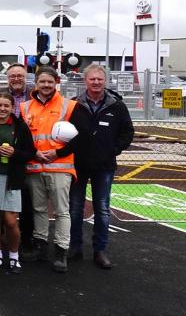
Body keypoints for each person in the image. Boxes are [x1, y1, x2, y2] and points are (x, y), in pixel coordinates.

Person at [20, 67, 89, 273]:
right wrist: (34, 153)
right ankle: (40, 246)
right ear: (36, 83)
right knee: (39, 209)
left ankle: (61, 251)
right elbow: (22, 137)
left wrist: (58, 153)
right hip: (34, 166)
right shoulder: (25, 107)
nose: (46, 85)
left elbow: (83, 136)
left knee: (61, 211)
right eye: (42, 81)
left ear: (56, 83)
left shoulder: (70, 106)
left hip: (60, 167)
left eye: (50, 82)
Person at [70, 64, 133, 269]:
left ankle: (100, 250)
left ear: (105, 81)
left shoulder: (117, 105)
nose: (96, 82)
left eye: (99, 79)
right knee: (75, 208)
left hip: (104, 165)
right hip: (78, 164)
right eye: (92, 79)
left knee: (102, 208)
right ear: (85, 81)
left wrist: (112, 150)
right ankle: (75, 247)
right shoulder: (74, 104)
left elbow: (127, 132)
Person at [0, 92, 35, 274]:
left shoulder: (20, 127)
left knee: (10, 221)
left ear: (12, 107)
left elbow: (30, 152)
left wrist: (14, 153)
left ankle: (13, 255)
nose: (2, 109)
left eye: (6, 106)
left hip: (12, 178)